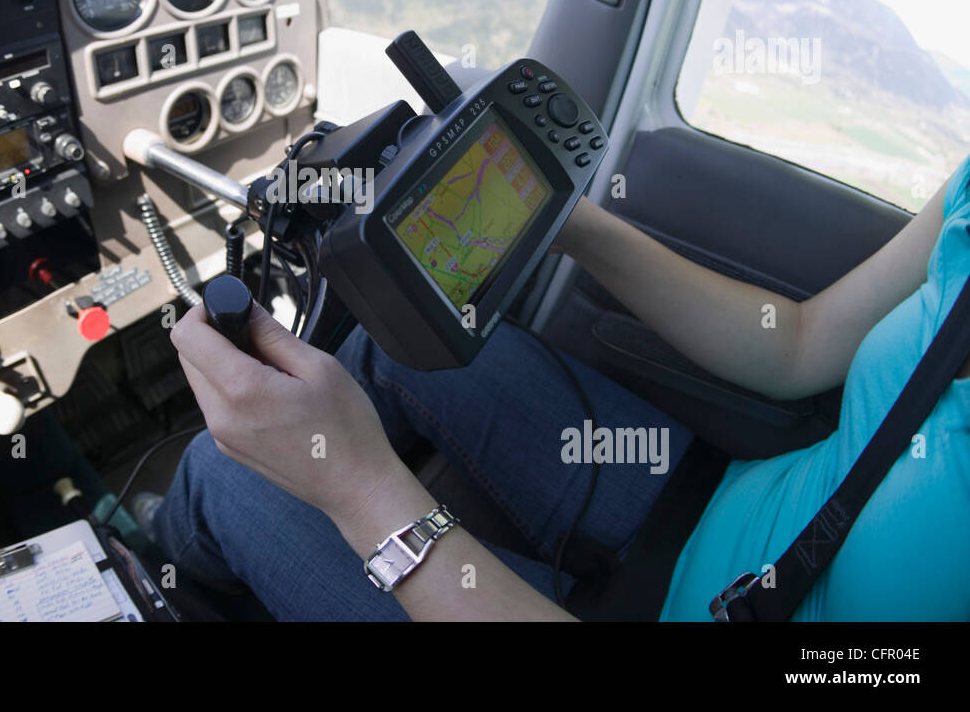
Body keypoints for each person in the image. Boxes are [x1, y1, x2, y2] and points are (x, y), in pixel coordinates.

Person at [149, 153, 970, 620]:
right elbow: (799, 344)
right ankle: (188, 559)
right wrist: (566, 219)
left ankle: (153, 577)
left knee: (222, 473)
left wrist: (361, 488)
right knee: (393, 344)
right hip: (716, 510)